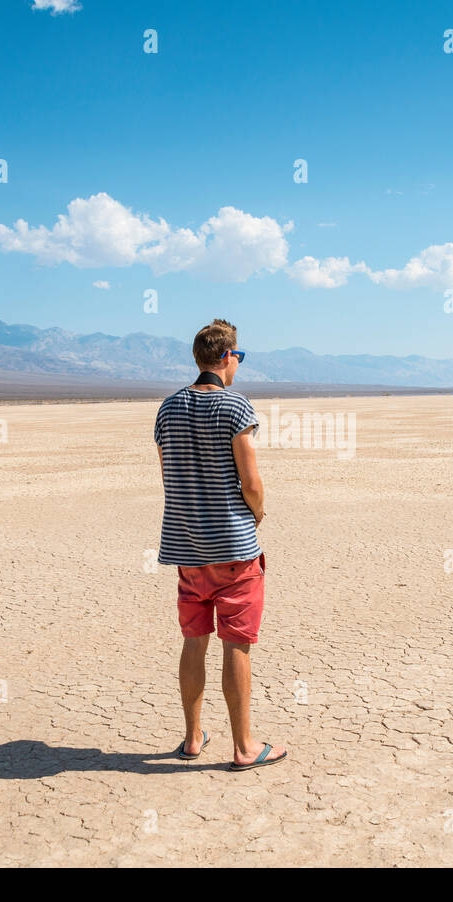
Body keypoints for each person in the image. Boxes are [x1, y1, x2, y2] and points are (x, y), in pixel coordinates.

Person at [154, 319, 288, 771]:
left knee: (194, 641)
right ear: (229, 356)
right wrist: (258, 512)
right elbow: (250, 480)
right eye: (240, 357)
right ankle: (244, 746)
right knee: (237, 644)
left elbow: (168, 474)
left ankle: (192, 738)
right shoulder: (235, 406)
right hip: (233, 547)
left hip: (187, 549)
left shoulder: (167, 409)